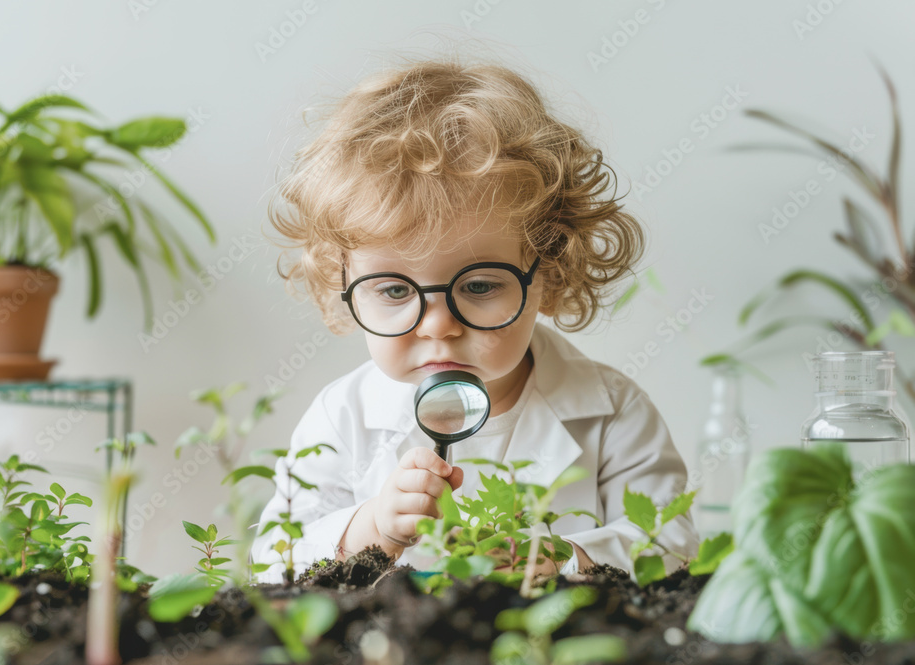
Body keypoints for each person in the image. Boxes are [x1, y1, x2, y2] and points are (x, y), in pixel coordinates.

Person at [250, 56, 699, 584]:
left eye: (480, 286)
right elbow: (273, 564)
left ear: (549, 275)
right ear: (343, 287)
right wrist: (374, 528)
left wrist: (567, 559)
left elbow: (673, 545)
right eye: (395, 290)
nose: (437, 325)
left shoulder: (613, 413)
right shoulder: (340, 417)